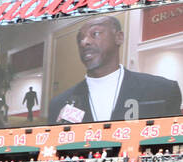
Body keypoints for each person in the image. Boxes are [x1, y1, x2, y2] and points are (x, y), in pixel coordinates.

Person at [48, 16, 182, 124]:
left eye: (95, 34)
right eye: (80, 39)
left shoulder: (163, 90)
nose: (84, 42)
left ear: (119, 37)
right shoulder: (59, 104)